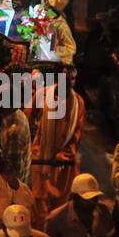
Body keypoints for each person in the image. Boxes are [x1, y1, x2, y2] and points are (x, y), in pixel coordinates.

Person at [29, 70, 84, 219]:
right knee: (39, 207)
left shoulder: (78, 102)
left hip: (63, 165)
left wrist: (64, 154)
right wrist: (34, 149)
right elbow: (28, 118)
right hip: (41, 160)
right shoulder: (43, 95)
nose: (69, 82)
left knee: (60, 209)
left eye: (73, 79)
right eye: (66, 78)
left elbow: (76, 136)